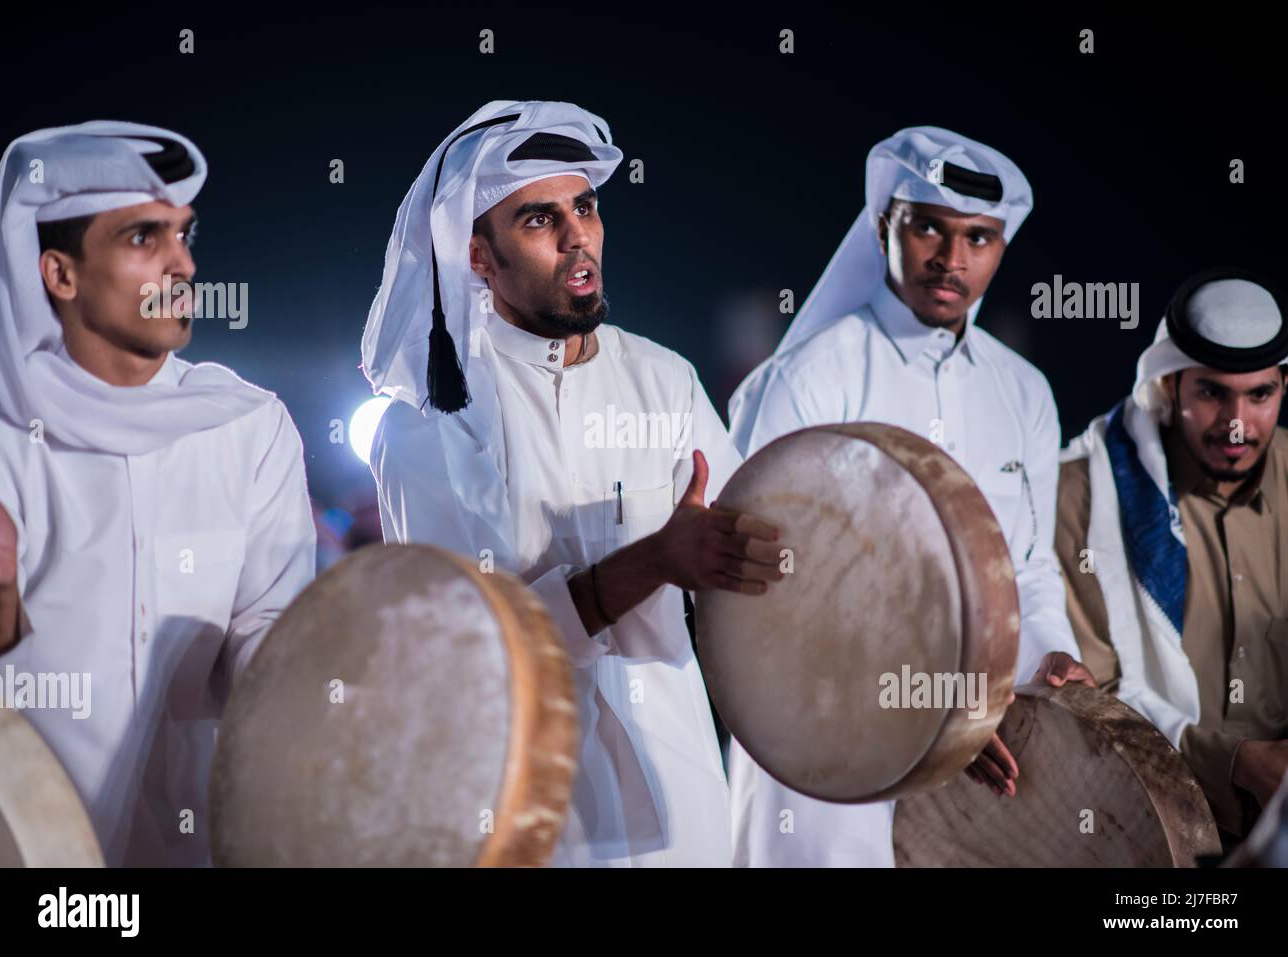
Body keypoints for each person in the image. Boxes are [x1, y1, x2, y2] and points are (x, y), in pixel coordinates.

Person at [362, 100, 781, 866]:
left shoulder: (665, 380)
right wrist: (655, 561)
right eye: (537, 220)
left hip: (684, 802)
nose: (576, 235)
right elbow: (475, 648)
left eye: (583, 207)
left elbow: (756, 574)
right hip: (529, 820)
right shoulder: (428, 425)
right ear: (477, 259)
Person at [726, 126, 1091, 866]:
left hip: (989, 754)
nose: (952, 259)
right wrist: (927, 706)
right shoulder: (809, 378)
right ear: (883, 225)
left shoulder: (1022, 392)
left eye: (979, 237)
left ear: (1002, 248)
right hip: (826, 753)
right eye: (928, 226)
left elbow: (1027, 569)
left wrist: (1053, 655)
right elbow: (762, 591)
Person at [0, 122, 316, 866]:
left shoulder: (245, 425)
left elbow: (267, 628)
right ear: (58, 273)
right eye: (144, 239)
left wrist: (328, 677)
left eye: (183, 234)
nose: (184, 264)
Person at [1057, 269, 1288, 847]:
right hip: (1141, 832)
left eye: (1260, 394)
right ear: (1169, 386)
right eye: (1212, 392)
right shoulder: (1082, 496)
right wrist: (1238, 763)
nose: (1237, 423)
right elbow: (1090, 699)